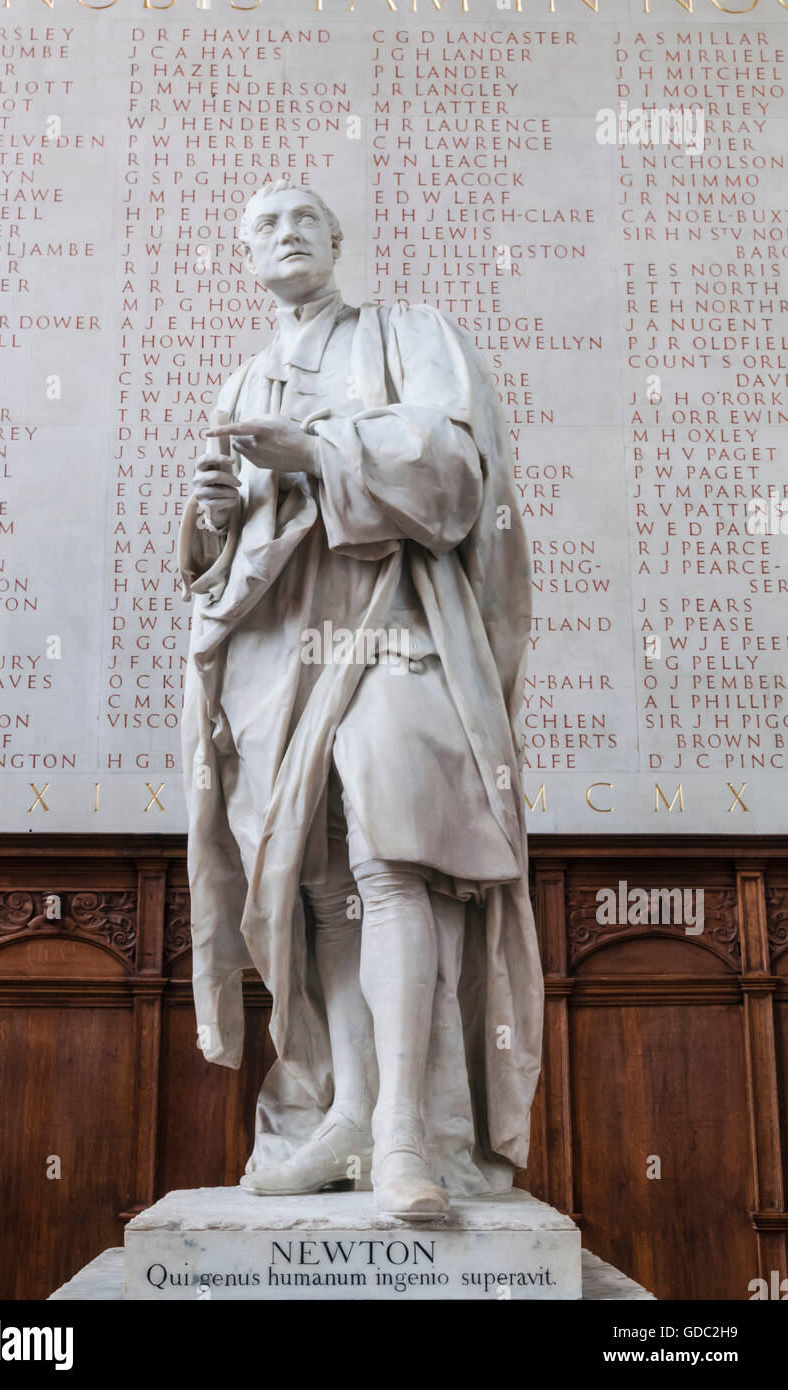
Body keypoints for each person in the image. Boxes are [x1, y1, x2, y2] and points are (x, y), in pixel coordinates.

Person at [178, 178, 543, 1219]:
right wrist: (212, 521)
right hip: (279, 652)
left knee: (392, 858)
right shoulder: (244, 377)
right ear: (245, 254)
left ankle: (403, 1137)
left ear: (336, 242)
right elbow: (221, 569)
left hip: (393, 624)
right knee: (314, 874)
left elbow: (455, 473)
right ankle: (343, 1109)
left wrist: (317, 451)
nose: (283, 233)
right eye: (262, 223)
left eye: (302, 219)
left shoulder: (409, 334)